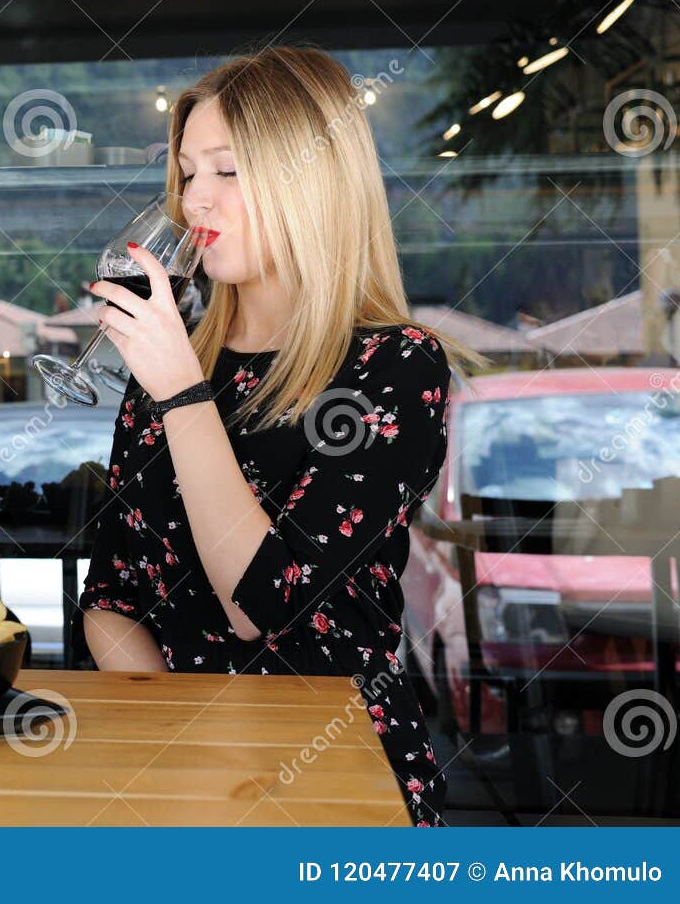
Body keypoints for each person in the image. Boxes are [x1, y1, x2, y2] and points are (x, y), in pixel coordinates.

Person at [78, 46, 480, 826]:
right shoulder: (169, 365)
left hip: (338, 780)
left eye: (227, 170)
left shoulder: (393, 366)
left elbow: (262, 601)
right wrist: (178, 747)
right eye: (188, 173)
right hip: (183, 788)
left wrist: (184, 396)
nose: (196, 198)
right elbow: (110, 596)